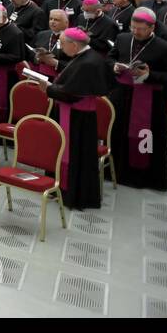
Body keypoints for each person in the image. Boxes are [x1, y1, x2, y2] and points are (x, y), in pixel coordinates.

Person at [45, 27, 114, 210]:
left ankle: (72, 193)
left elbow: (71, 94)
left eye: (62, 43)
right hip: (77, 115)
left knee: (75, 154)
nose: (60, 47)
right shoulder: (87, 57)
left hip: (77, 118)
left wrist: (46, 88)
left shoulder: (88, 63)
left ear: (74, 45)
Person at [108, 7, 167, 191]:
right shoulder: (123, 38)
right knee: (117, 133)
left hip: (149, 100)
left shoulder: (164, 47)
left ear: (152, 27)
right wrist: (114, 66)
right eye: (133, 27)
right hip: (122, 96)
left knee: (145, 138)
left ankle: (143, 177)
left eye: (141, 29)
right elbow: (110, 58)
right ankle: (115, 172)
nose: (136, 32)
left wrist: (149, 75)